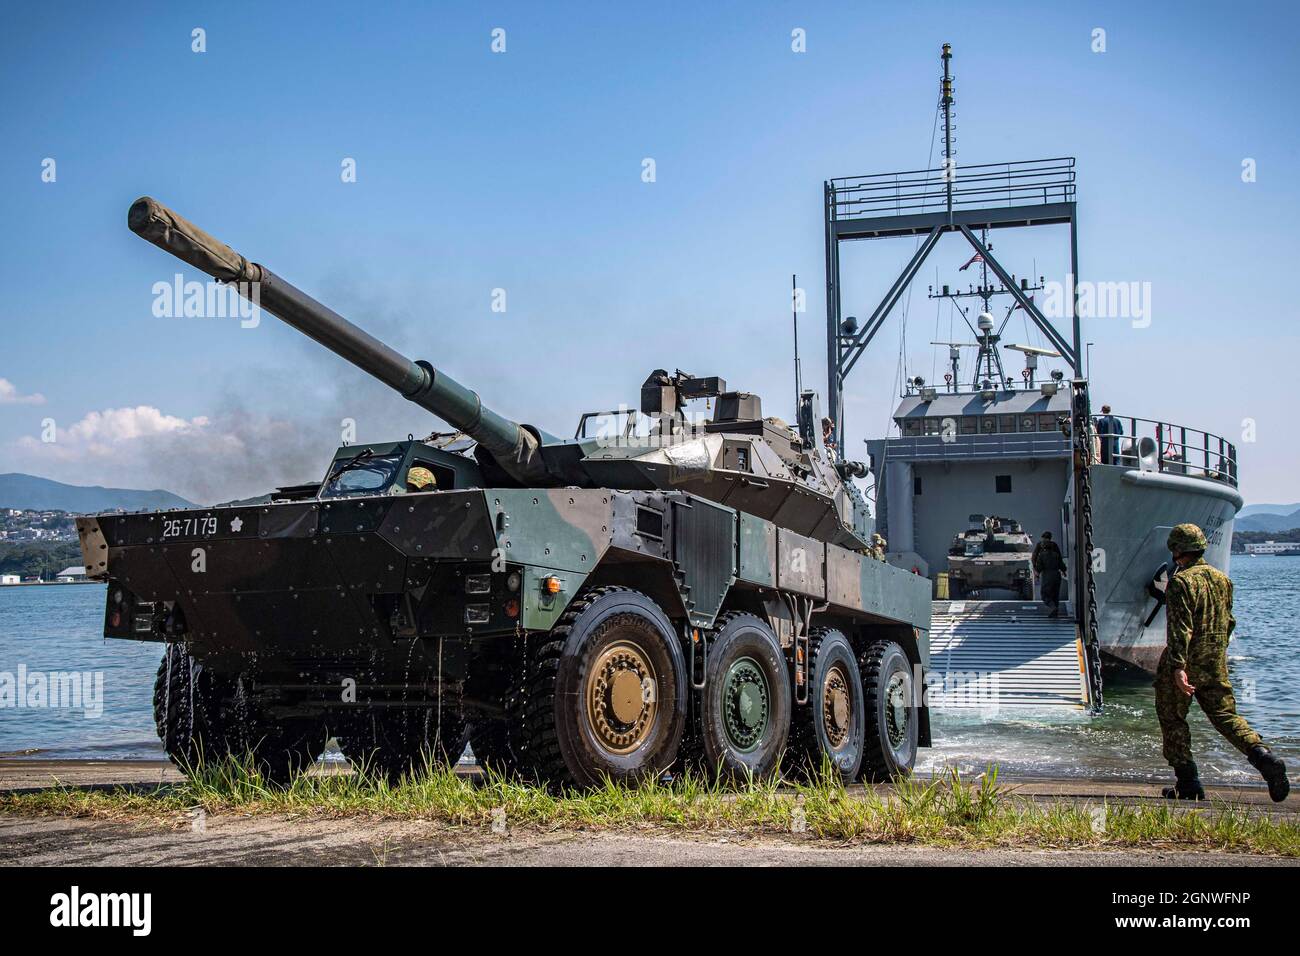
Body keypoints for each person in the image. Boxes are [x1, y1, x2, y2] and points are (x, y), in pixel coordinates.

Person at [1155, 523, 1289, 802]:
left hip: (1186, 661)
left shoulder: (1181, 582)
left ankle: (1188, 783)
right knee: (1226, 716)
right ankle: (1264, 758)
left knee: (1172, 718)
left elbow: (1180, 628)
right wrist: (1216, 654)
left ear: (1177, 550)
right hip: (1215, 660)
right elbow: (1229, 623)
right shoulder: (1222, 579)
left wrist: (1178, 667)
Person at [1031, 531, 1065, 617]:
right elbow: (1060, 561)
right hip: (1056, 574)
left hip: (1047, 574)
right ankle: (1055, 612)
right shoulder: (1055, 549)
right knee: (1055, 594)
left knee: (1045, 594)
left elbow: (1034, 557)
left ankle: (1053, 608)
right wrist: (1063, 570)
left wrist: (1036, 572)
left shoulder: (1041, 550)